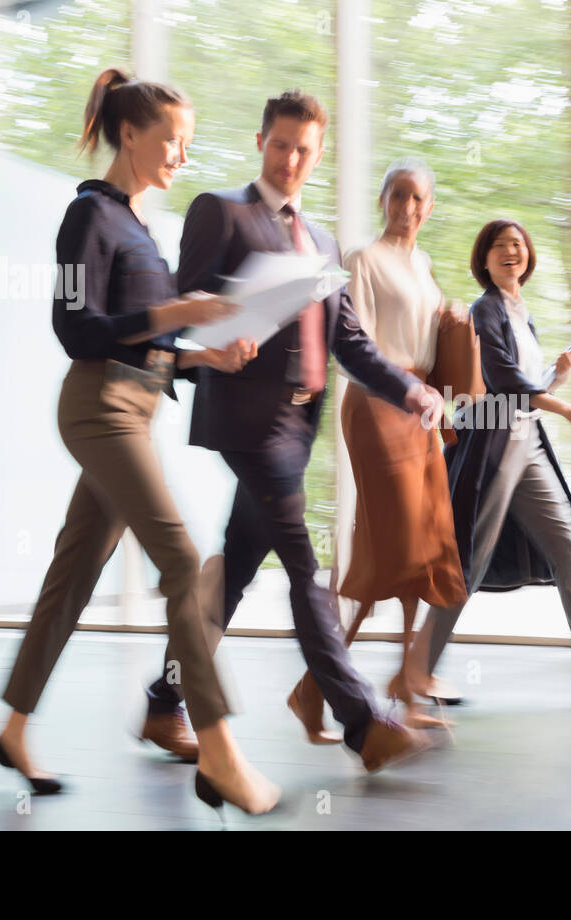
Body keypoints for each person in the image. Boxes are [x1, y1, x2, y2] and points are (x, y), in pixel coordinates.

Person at [0, 67, 281, 817]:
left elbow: (146, 345)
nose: (182, 154)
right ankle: (219, 751)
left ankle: (13, 729)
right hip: (100, 411)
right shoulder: (86, 218)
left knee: (72, 576)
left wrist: (202, 354)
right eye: (172, 140)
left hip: (136, 406)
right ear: (130, 134)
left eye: (187, 142)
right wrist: (176, 315)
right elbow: (76, 330)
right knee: (184, 563)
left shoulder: (140, 229)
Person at [141, 91, 445, 771]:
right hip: (245, 421)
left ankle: (164, 701)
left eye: (303, 149)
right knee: (305, 566)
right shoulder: (222, 211)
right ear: (260, 143)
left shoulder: (325, 243)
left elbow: (351, 342)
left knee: (234, 573)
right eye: (280, 145)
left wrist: (411, 388)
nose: (290, 159)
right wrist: (211, 346)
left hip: (296, 426)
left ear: (319, 154)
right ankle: (361, 720)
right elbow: (176, 310)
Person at [404, 219, 571, 703]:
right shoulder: (485, 309)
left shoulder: (520, 312)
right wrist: (570, 410)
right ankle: (417, 671)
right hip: (492, 443)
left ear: (528, 256)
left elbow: (525, 386)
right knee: (469, 557)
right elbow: (506, 383)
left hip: (527, 440)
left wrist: (556, 376)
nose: (510, 251)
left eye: (517, 244)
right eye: (499, 245)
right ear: (484, 259)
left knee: (567, 544)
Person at [286, 158, 466, 730]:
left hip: (420, 409)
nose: (407, 207)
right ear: (382, 199)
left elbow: (424, 340)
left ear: (429, 207)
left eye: (418, 198)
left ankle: (404, 687)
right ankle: (321, 684)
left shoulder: (425, 265)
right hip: (377, 405)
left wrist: (450, 317)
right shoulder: (363, 258)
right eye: (398, 195)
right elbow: (354, 343)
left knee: (423, 547)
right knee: (392, 547)